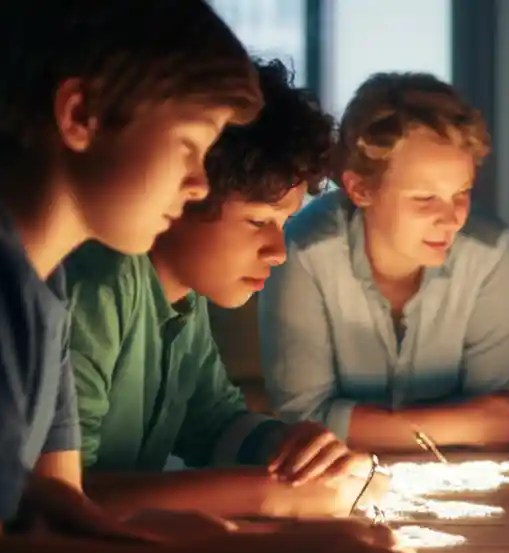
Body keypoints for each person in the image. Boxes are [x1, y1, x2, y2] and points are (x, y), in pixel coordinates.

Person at [0, 0, 411, 553]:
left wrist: (203, 540)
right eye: (190, 146)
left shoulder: (41, 277)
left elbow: (58, 510)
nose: (201, 184)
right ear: (80, 116)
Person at [64, 59, 370, 522]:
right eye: (257, 221)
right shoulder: (99, 285)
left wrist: (289, 449)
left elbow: (213, 422)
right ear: (184, 190)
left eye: (283, 223)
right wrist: (265, 494)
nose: (277, 251)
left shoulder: (182, 299)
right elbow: (57, 498)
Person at [260, 72, 509, 454]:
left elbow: (507, 419)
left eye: (461, 193)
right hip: (337, 479)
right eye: (425, 198)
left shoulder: (488, 252)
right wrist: (464, 422)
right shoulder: (307, 252)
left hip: (466, 474)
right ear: (360, 189)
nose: (451, 218)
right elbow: (303, 418)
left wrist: (360, 423)